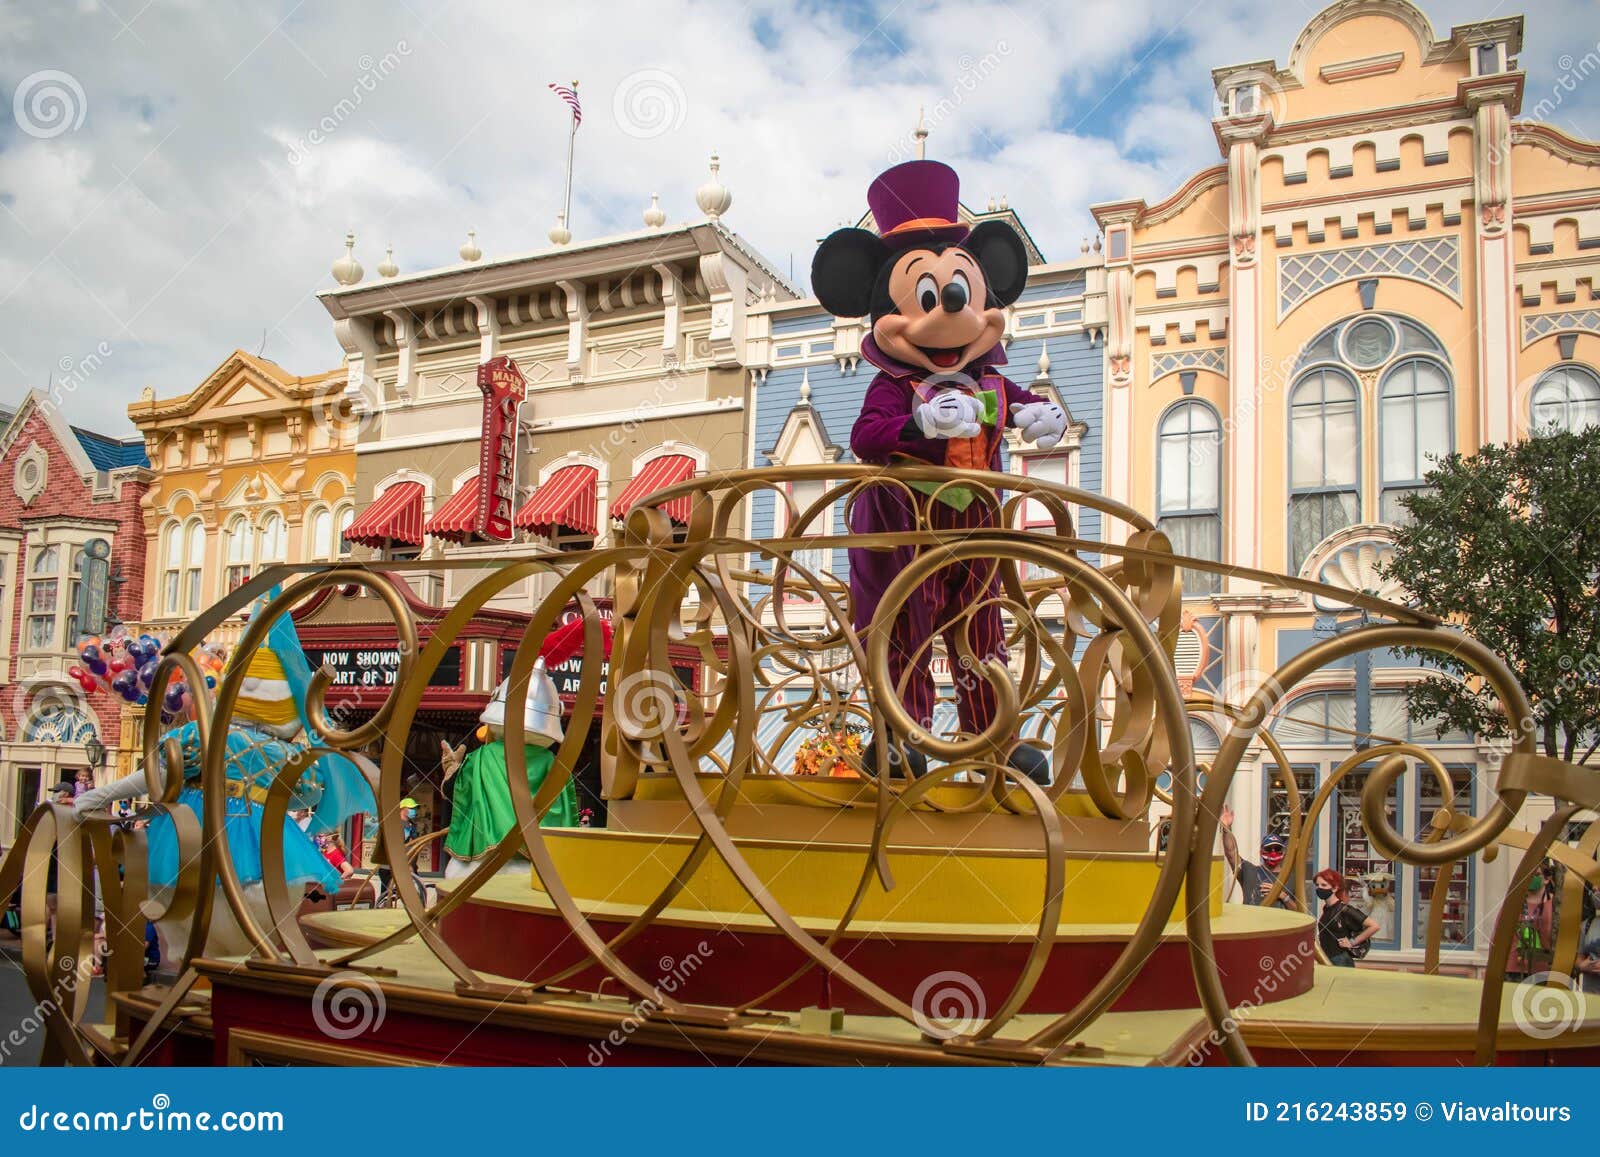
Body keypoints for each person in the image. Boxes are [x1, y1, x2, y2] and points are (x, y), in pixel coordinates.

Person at [1218, 804, 1298, 910]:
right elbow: (1231, 852)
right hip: (1252, 925)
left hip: (1279, 926)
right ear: (1261, 851)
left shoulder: (1290, 878)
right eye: (1269, 849)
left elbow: (1298, 911)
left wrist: (1282, 895)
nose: (1273, 852)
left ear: (1282, 851)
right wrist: (1226, 829)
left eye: (1277, 849)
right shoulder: (1250, 871)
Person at [1313, 868, 1378, 966]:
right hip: (1328, 958)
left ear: (1335, 888)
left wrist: (1352, 942)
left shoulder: (1345, 909)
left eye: (1324, 885)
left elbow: (1374, 926)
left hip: (1340, 959)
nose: (1319, 888)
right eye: (1317, 885)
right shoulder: (1327, 909)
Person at [1509, 869, 1557, 980]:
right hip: (1513, 968)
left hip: (1541, 969)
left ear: (1547, 879)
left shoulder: (1555, 905)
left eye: (1536, 875)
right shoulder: (1514, 902)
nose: (1531, 878)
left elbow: (1550, 937)